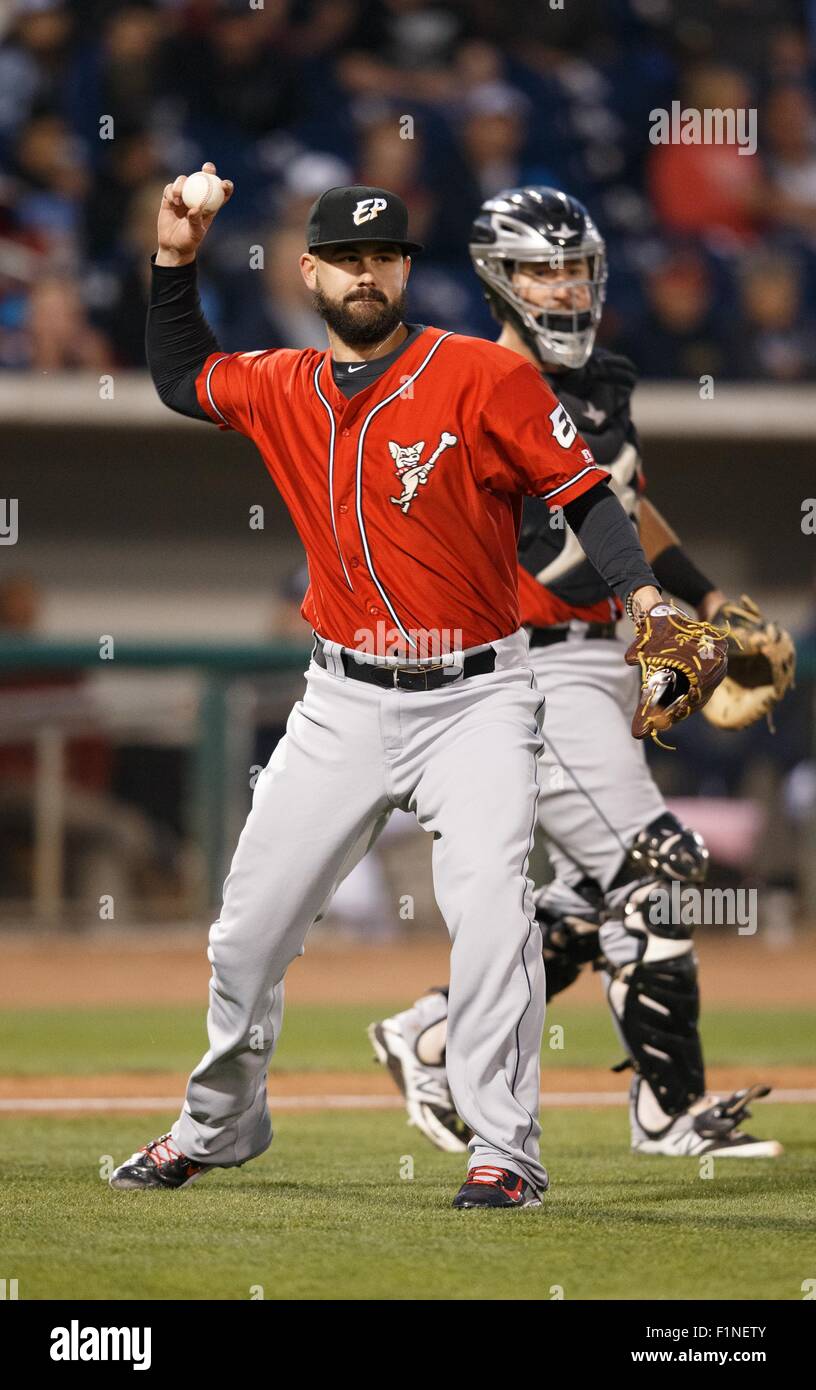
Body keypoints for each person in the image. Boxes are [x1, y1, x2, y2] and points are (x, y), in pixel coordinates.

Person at [109, 169, 680, 1210]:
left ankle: (505, 1150)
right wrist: (176, 256)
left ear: (407, 269)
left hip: (478, 696)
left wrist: (644, 594)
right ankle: (220, 1121)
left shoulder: (480, 377)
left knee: (494, 916)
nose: (368, 273)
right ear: (310, 272)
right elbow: (177, 372)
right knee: (246, 931)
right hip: (343, 699)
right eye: (349, 257)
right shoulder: (282, 383)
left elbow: (586, 494)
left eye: (387, 256)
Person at [369, 186, 782, 1161]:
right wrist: (662, 627)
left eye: (571, 265)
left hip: (595, 659)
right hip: (526, 666)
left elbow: (624, 504)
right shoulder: (471, 385)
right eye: (537, 269)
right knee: (657, 867)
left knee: (608, 890)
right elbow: (535, 549)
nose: (559, 285)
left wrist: (706, 598)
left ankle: (429, 1031)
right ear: (497, 282)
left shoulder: (602, 381)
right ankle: (667, 1110)